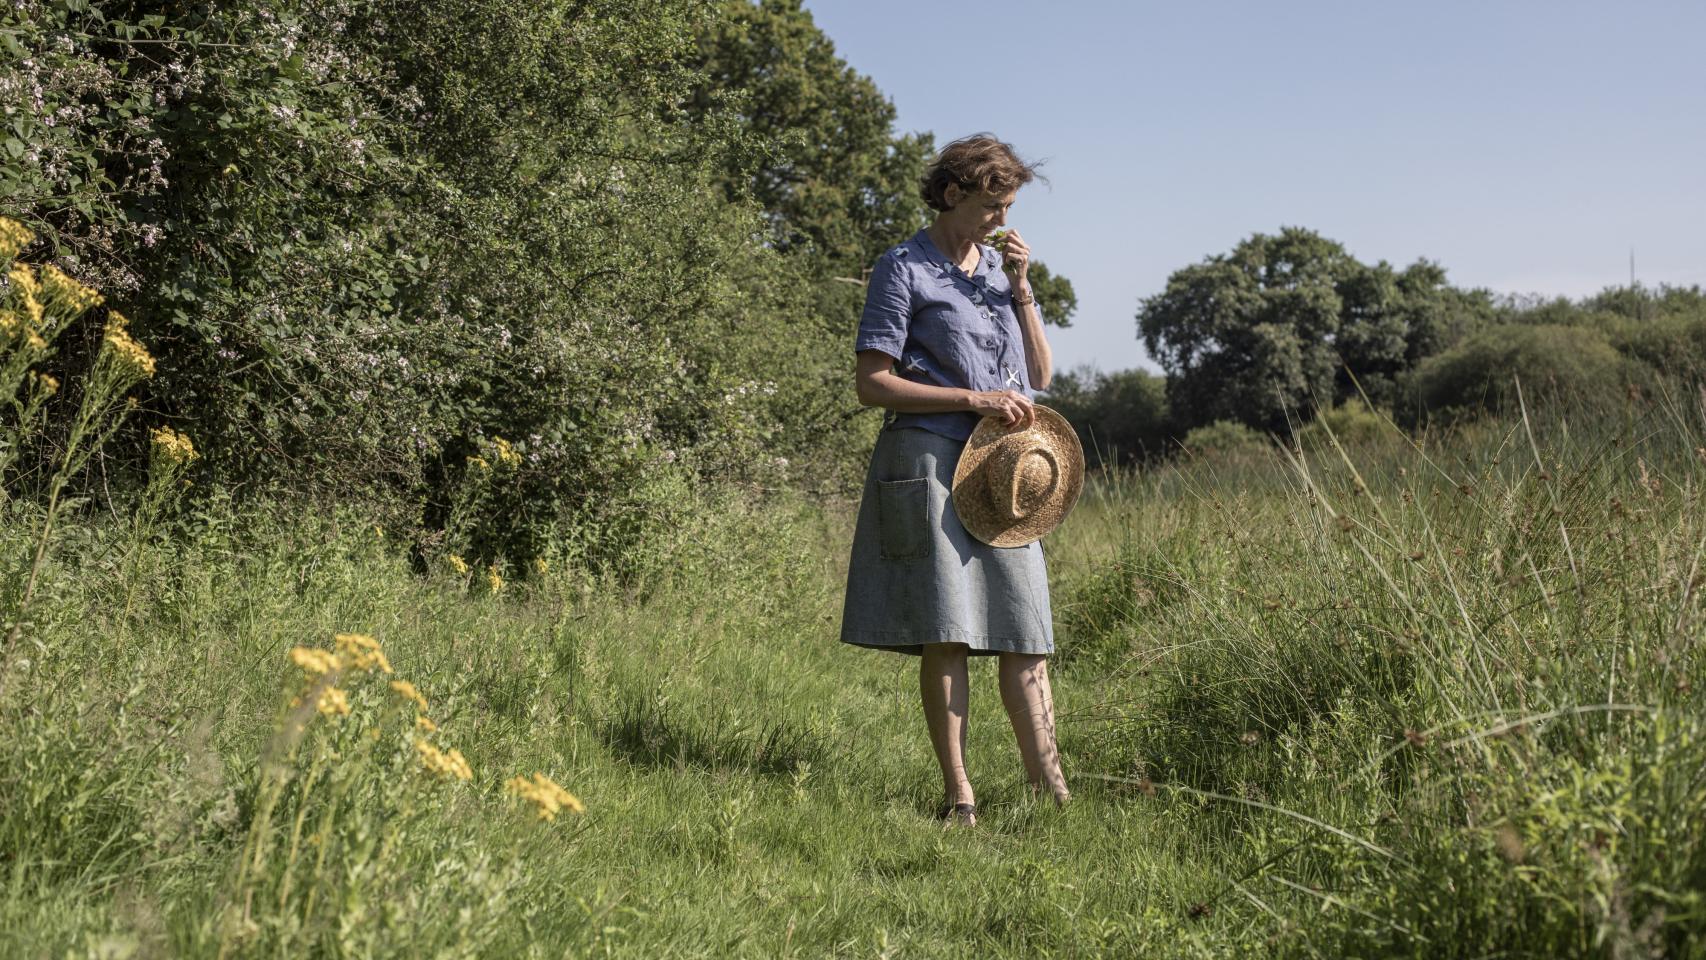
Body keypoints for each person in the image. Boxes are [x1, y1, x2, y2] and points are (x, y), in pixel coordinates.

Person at [840, 134, 1068, 826]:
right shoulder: (901, 268)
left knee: (1026, 630)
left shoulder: (998, 277)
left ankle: (1052, 796)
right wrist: (972, 400)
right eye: (991, 205)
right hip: (929, 462)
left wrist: (1024, 289)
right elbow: (871, 384)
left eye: (1008, 207)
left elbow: (1040, 377)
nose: (1001, 219)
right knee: (949, 633)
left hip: (1001, 474)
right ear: (950, 194)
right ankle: (960, 797)